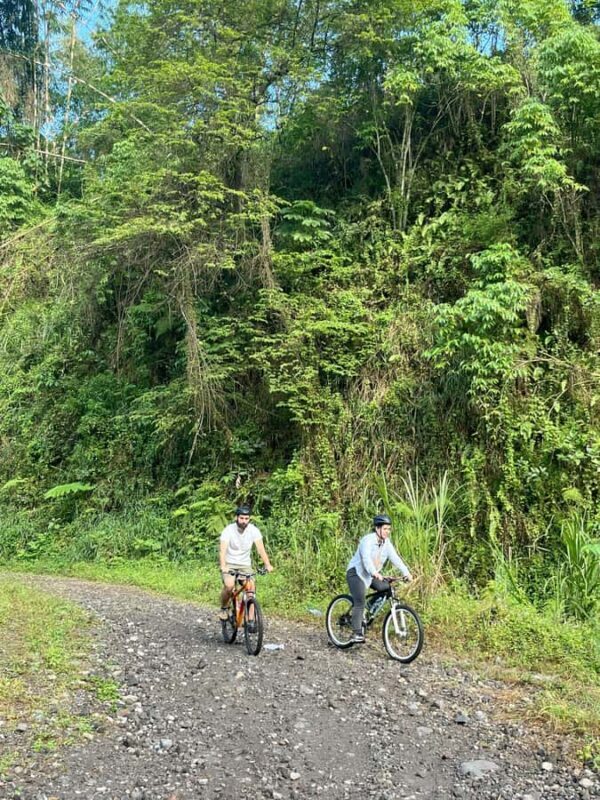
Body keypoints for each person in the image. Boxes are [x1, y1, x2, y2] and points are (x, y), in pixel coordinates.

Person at [346, 514, 412, 644]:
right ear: (377, 528)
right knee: (359, 601)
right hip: (356, 573)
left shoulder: (386, 543)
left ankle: (367, 610)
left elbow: (395, 558)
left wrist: (406, 573)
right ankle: (356, 633)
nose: (387, 532)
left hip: (371, 575)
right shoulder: (368, 540)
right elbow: (365, 559)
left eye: (389, 529)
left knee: (386, 588)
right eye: (385, 529)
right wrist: (375, 573)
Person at [219, 505, 273, 629]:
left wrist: (267, 564)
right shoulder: (228, 530)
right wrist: (223, 566)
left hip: (245, 565)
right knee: (229, 585)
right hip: (230, 563)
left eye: (246, 518)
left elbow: (261, 549)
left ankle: (251, 620)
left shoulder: (253, 530)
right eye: (242, 518)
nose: (244, 521)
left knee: (251, 589)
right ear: (236, 518)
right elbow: (222, 551)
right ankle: (224, 608)